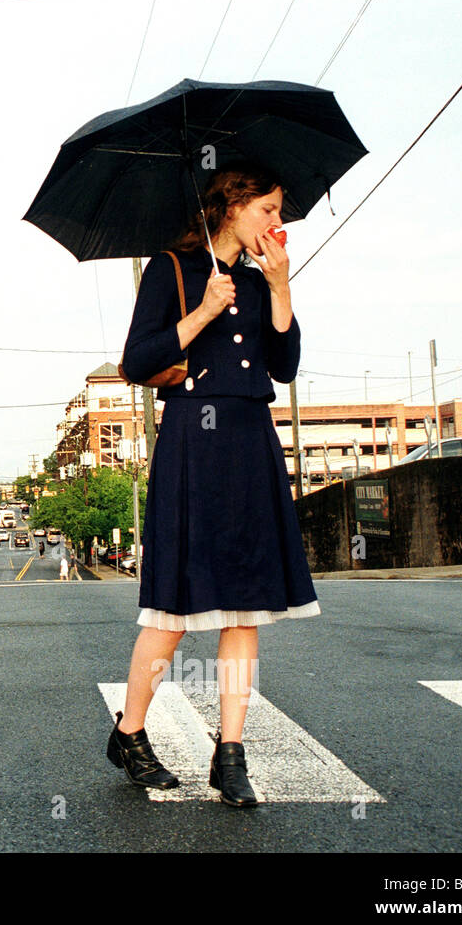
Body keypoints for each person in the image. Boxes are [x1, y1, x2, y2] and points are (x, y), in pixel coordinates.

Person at [108, 161, 321, 808]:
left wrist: (281, 290)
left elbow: (283, 367)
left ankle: (229, 755)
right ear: (232, 205)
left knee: (247, 602)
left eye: (280, 212)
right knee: (174, 606)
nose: (277, 224)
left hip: (251, 437)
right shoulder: (171, 269)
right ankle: (131, 730)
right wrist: (201, 312)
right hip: (193, 446)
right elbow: (137, 361)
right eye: (269, 210)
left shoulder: (258, 284)